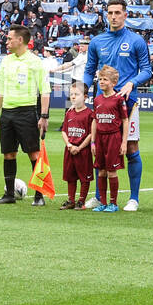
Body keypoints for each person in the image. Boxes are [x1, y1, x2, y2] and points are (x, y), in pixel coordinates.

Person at [82, 0, 152, 211]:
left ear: (125, 15)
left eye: (117, 13)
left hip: (127, 102)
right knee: (100, 147)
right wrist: (83, 88)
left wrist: (132, 83)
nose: (113, 16)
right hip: (102, 102)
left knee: (131, 147)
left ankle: (134, 198)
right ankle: (99, 197)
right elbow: (89, 69)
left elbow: (146, 70)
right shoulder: (97, 41)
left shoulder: (136, 41)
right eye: (110, 13)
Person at [0, 24, 51, 206]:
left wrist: (43, 116)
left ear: (20, 40)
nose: (7, 41)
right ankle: (9, 194)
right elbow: (0, 90)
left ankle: (39, 195)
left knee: (34, 153)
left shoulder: (35, 62)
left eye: (10, 38)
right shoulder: (6, 61)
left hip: (27, 112)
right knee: (8, 154)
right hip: (8, 113)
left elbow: (45, 91)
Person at [88, 65, 125, 212]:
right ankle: (102, 202)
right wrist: (92, 141)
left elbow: (125, 120)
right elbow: (95, 121)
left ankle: (113, 203)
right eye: (100, 79)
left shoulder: (118, 99)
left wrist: (124, 142)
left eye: (105, 79)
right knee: (101, 171)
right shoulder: (97, 100)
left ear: (113, 83)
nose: (101, 82)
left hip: (113, 138)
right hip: (100, 139)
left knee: (111, 171)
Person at [59, 81, 95, 210]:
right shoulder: (69, 112)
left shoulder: (89, 114)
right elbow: (64, 131)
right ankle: (71, 200)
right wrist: (69, 145)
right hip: (70, 149)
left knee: (84, 177)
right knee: (70, 176)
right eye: (71, 94)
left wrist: (79, 147)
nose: (73, 97)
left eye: (77, 94)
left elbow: (91, 133)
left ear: (85, 97)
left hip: (83, 151)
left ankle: (81, 201)